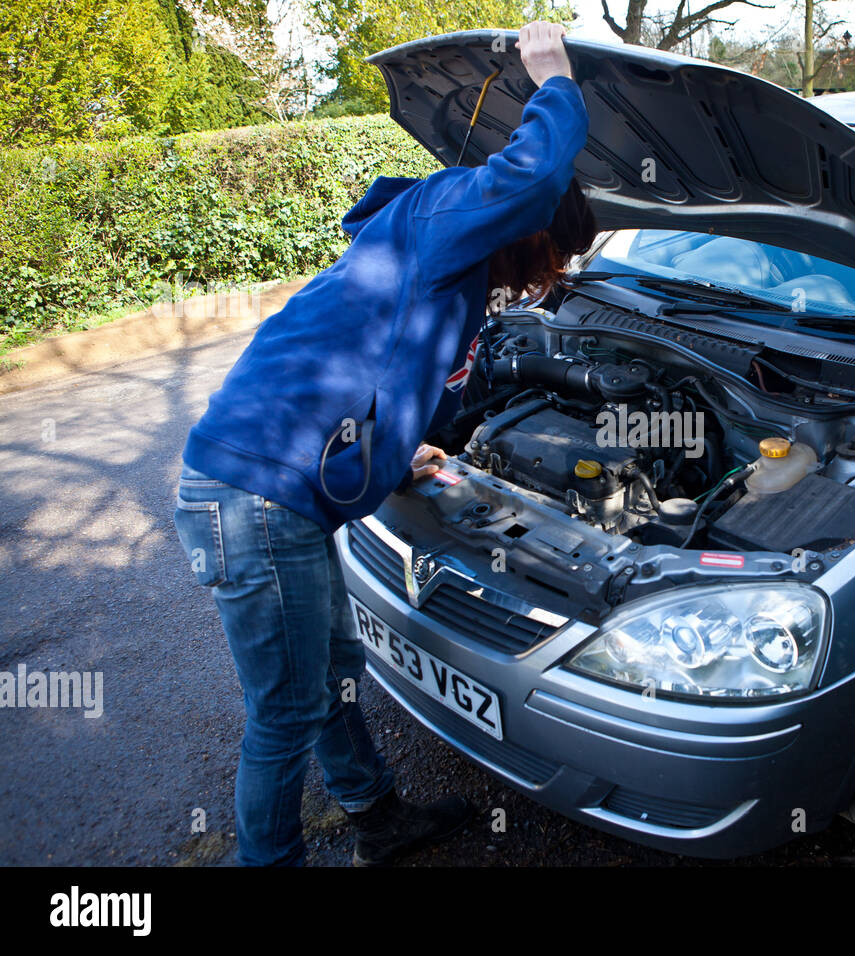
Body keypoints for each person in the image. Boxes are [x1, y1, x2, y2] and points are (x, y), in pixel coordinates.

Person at [171, 20, 596, 867]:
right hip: (256, 499)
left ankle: (376, 815)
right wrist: (554, 78)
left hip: (278, 490)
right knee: (285, 711)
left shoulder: (440, 263)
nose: (546, 278)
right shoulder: (442, 217)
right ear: (527, 227)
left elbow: (378, 363)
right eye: (552, 254)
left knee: (330, 672)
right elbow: (534, 171)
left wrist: (398, 454)